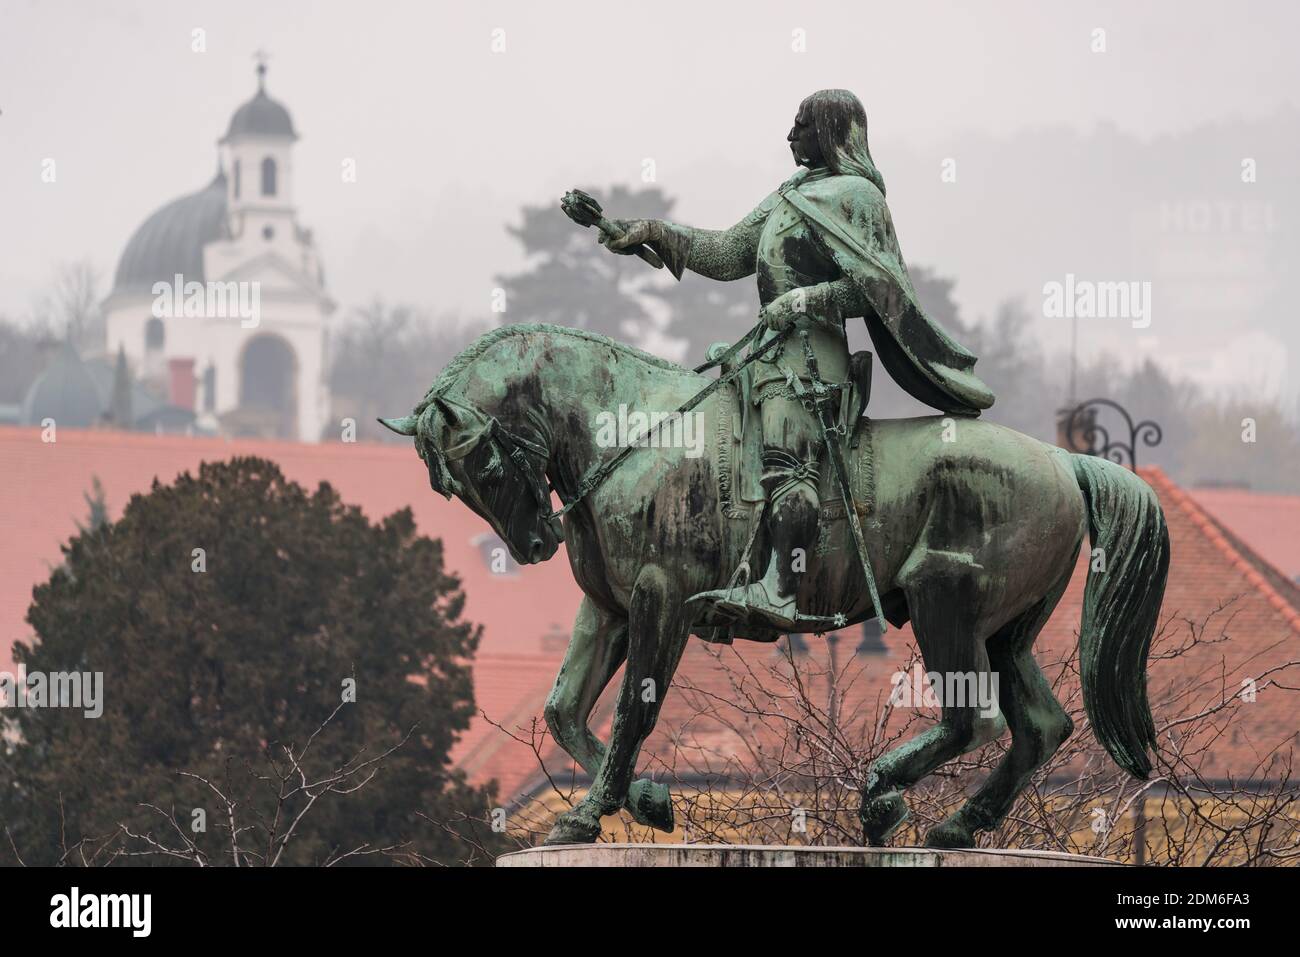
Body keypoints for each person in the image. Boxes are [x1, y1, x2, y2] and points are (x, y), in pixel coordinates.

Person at [601, 89, 995, 629]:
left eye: (802, 127)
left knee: (788, 462)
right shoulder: (792, 193)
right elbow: (727, 253)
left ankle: (782, 587)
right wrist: (654, 230)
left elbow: (881, 291)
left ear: (831, 133)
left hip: (815, 359)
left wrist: (807, 299)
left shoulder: (860, 198)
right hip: (766, 351)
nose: (790, 137)